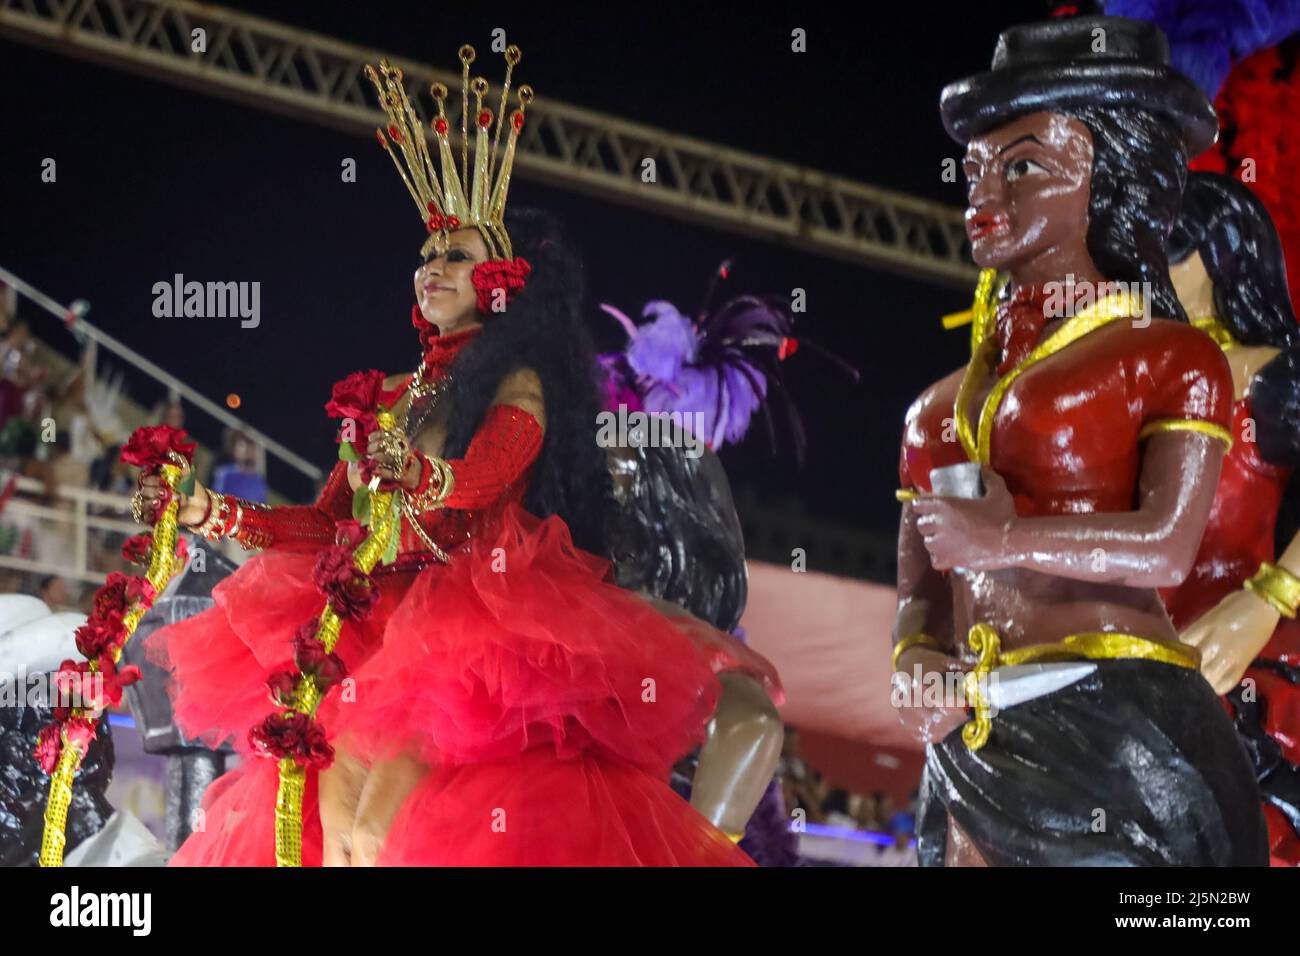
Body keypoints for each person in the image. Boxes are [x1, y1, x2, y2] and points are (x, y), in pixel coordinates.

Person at [135, 45, 783, 867]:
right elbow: (325, 525)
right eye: (425, 256)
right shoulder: (396, 396)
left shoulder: (519, 378)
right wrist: (208, 512)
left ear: (500, 282)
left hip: (475, 636)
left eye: (456, 257)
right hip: (371, 630)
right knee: (326, 837)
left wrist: (421, 479)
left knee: (383, 833)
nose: (431, 269)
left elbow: (485, 479)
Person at [895, 15, 1267, 866]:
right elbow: (919, 588)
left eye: (1023, 166)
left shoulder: (1170, 356)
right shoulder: (934, 410)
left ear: (1108, 178)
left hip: (1127, 738)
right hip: (972, 742)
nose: (983, 197)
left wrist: (1005, 538)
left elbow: (1167, 548)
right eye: (975, 170)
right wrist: (913, 658)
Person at [1163, 171, 1300, 865]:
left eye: (1171, 248)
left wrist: (1267, 600)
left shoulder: (1270, 377)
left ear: (1220, 258)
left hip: (1233, 652)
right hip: (1128, 651)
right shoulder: (1119, 378)